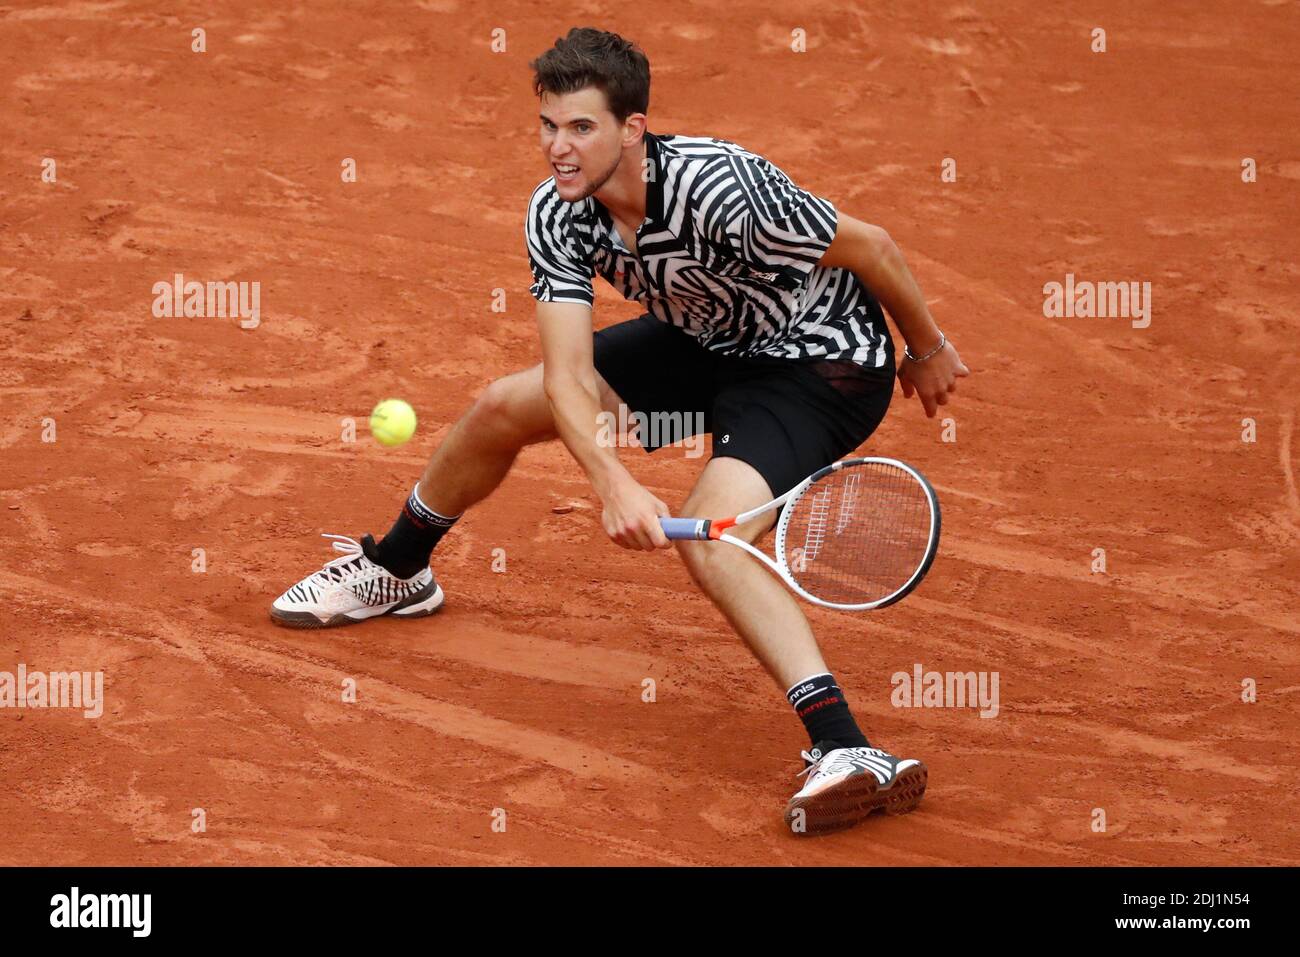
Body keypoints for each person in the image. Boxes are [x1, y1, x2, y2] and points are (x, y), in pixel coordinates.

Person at [271, 27, 969, 834]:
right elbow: (569, 375)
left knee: (712, 533)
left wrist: (926, 347)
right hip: (708, 339)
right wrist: (613, 480)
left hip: (816, 365)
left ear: (632, 129)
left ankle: (849, 749)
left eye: (581, 128)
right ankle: (397, 569)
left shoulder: (724, 189)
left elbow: (872, 246)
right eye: (547, 126)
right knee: (504, 405)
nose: (557, 150)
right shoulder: (559, 214)